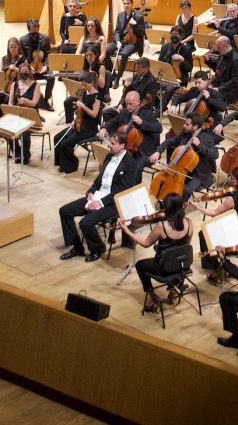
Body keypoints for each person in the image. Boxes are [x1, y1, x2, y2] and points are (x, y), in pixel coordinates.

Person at [59, 127, 144, 262]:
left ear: (122, 146)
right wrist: (91, 192)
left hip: (113, 202)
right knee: (65, 211)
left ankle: (98, 248)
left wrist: (100, 202)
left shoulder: (131, 165)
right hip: (97, 195)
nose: (109, 145)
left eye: (112, 143)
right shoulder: (109, 156)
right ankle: (77, 247)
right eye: (109, 142)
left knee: (85, 223)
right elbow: (99, 179)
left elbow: (122, 190)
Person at [119, 192, 194, 314]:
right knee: (173, 257)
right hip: (183, 264)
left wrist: (127, 231)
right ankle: (174, 289)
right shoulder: (189, 223)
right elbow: (184, 246)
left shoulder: (162, 225)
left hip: (165, 267)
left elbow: (145, 243)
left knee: (140, 265)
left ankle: (153, 298)